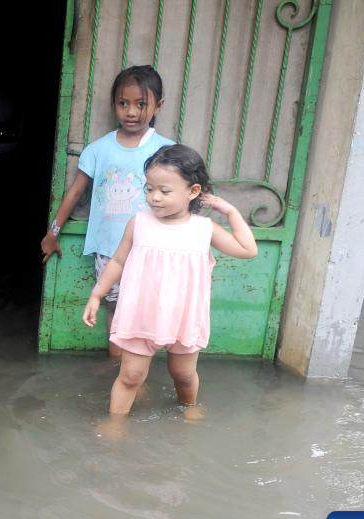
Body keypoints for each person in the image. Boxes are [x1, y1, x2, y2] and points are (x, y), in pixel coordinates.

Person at [82, 144, 258, 420]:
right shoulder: (138, 223)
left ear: (193, 191)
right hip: (140, 314)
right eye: (149, 189)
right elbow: (117, 262)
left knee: (184, 374)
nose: (154, 197)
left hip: (184, 317)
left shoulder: (204, 229)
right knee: (131, 376)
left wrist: (232, 212)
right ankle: (115, 422)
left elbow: (248, 250)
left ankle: (188, 407)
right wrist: (96, 295)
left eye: (165, 191)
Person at [41, 65, 174, 358]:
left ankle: (136, 369)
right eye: (123, 103)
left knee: (144, 310)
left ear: (158, 106)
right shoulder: (98, 150)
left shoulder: (166, 151)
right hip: (109, 250)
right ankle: (118, 368)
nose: (131, 112)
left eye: (141, 104)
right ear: (114, 104)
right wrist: (54, 233)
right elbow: (75, 193)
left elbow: (180, 199)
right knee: (115, 308)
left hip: (150, 249)